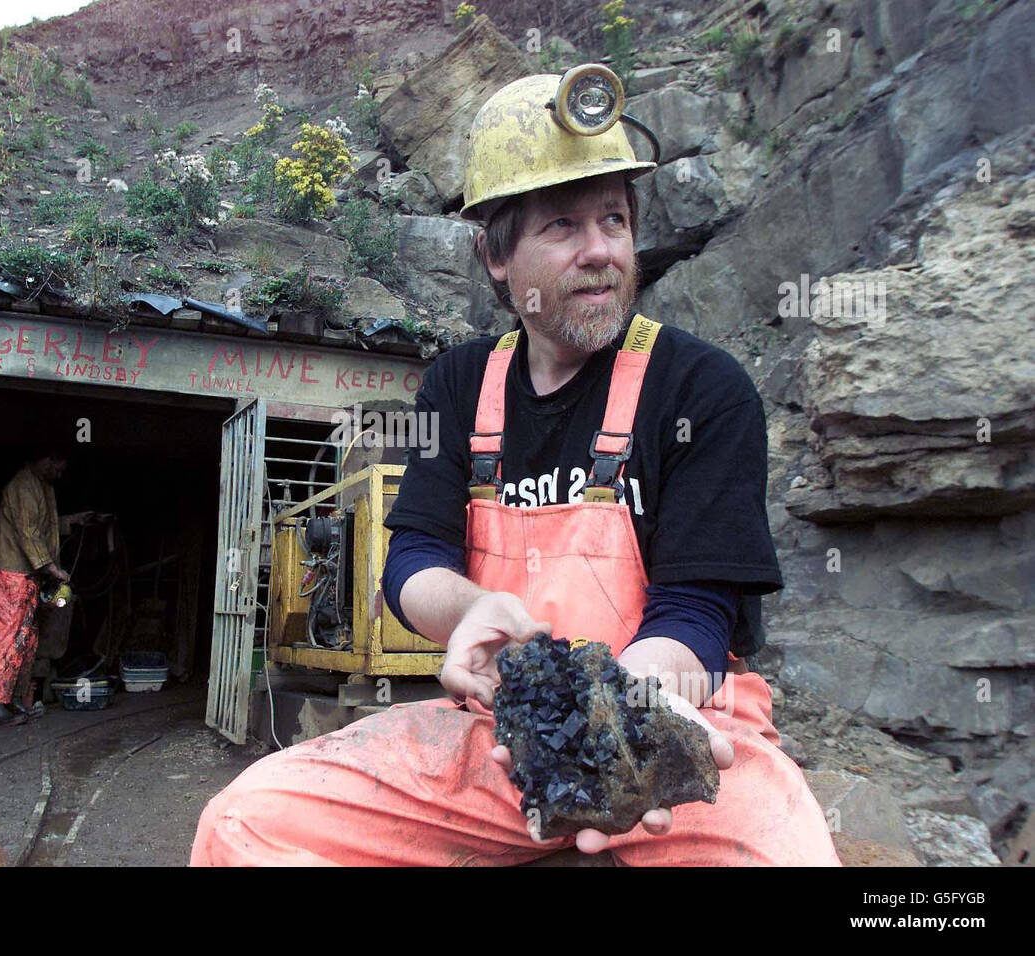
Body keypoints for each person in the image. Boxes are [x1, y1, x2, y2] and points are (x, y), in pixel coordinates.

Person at [191, 67, 840, 865]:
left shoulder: (704, 390)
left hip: (678, 728)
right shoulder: (456, 385)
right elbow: (414, 560)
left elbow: (699, 615)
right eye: (564, 226)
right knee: (244, 822)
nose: (601, 251)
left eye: (615, 219)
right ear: (495, 255)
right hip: (497, 736)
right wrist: (466, 611)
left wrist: (617, 720)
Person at [0, 449, 91, 727]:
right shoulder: (23, 486)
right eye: (59, 467)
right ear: (47, 457)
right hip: (12, 571)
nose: (60, 473)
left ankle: (14, 699)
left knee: (26, 640)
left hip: (28, 574)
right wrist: (53, 569)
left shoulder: (41, 486)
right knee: (6, 637)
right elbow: (28, 534)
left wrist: (72, 521)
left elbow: (43, 529)